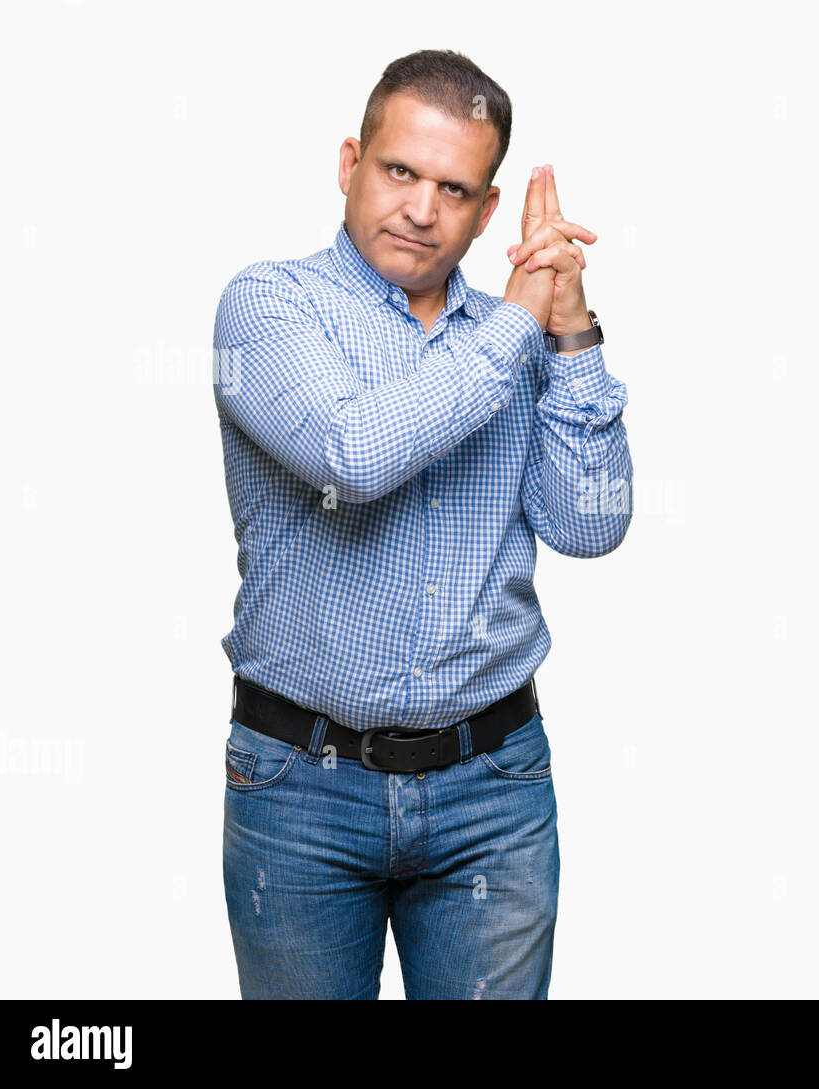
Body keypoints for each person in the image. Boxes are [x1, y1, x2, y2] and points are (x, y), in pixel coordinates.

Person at [211, 49, 633, 1000]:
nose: (420, 207)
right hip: (301, 787)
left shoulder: (513, 334)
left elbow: (592, 523)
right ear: (351, 161)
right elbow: (354, 456)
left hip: (494, 789)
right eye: (400, 171)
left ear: (488, 213)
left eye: (454, 188)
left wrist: (567, 331)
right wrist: (519, 327)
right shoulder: (271, 306)